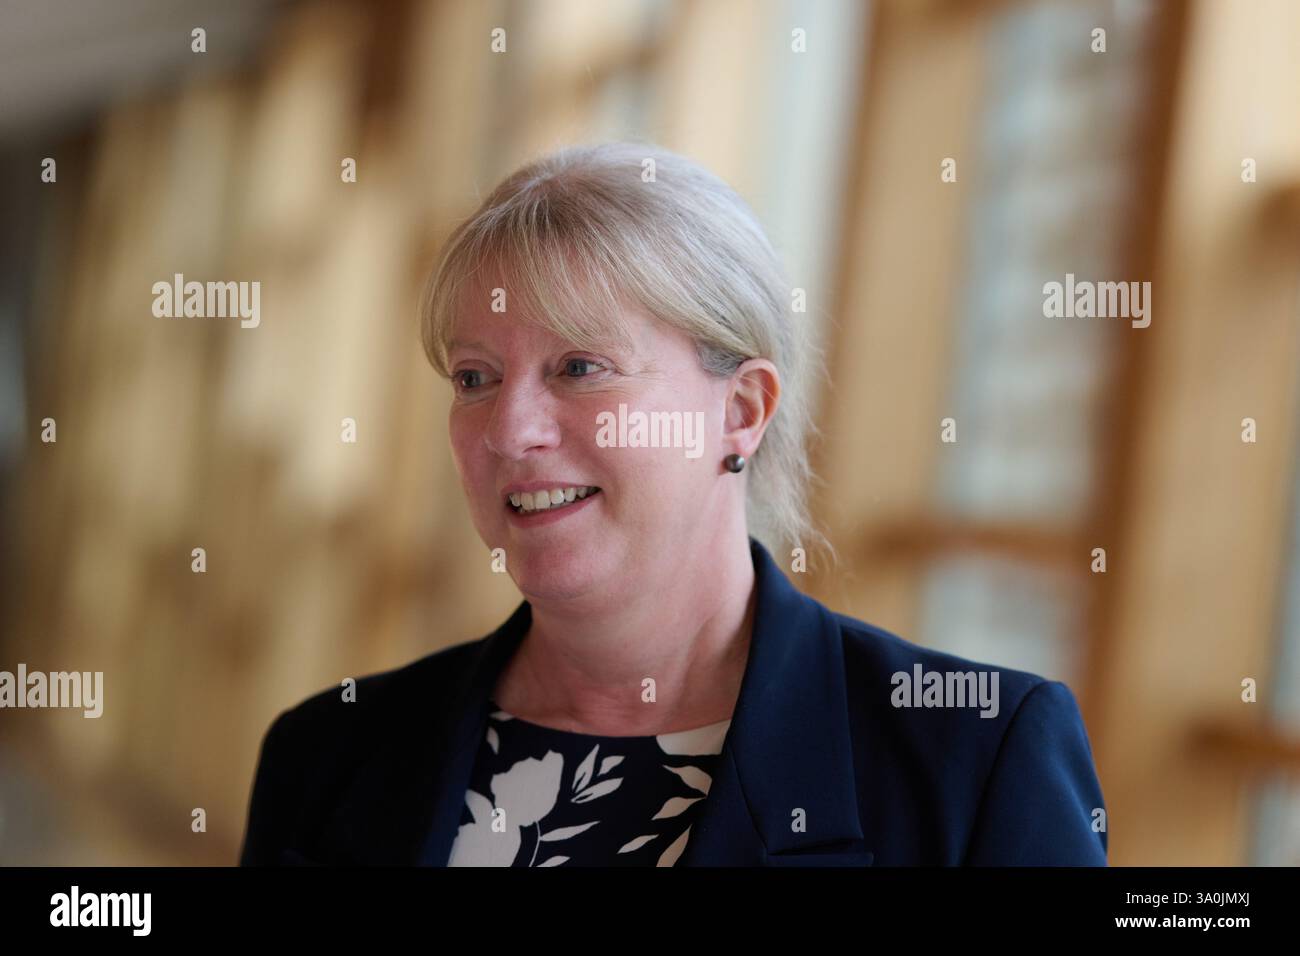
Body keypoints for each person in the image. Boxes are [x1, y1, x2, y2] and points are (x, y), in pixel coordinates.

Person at [238, 141, 1108, 866]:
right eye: (475, 377)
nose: (509, 430)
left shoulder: (976, 762)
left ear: (741, 412)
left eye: (580, 367)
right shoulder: (329, 756)